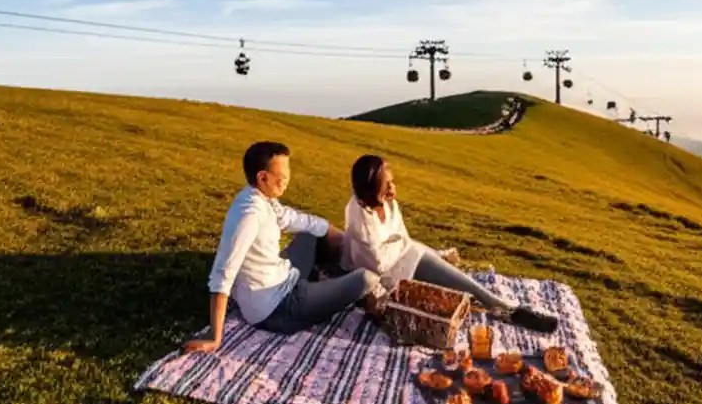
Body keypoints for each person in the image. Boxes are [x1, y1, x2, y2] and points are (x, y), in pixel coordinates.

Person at [183, 141, 381, 353]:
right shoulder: (249, 215)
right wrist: (215, 336)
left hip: (284, 276)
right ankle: (335, 281)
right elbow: (222, 274)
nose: (287, 182)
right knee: (366, 278)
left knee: (311, 233)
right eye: (282, 178)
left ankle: (329, 277)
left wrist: (336, 234)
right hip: (280, 307)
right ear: (262, 177)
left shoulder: (261, 197)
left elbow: (290, 218)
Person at [341, 154, 559, 334]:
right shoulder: (358, 217)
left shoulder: (390, 205)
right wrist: (403, 247)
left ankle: (509, 309)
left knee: (460, 281)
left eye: (392, 182)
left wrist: (409, 248)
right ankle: (504, 309)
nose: (393, 188)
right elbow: (379, 262)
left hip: (406, 255)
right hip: (387, 276)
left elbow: (402, 239)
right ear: (373, 190)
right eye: (387, 185)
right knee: (453, 290)